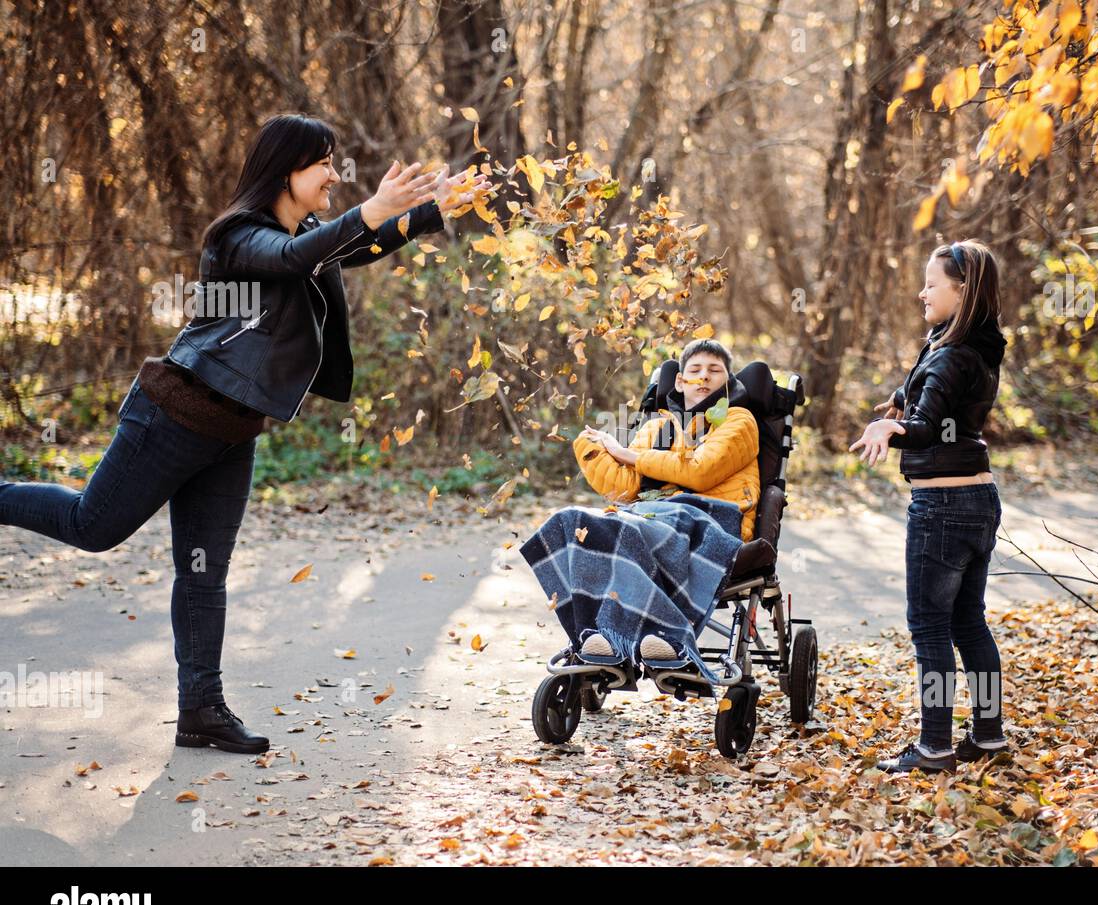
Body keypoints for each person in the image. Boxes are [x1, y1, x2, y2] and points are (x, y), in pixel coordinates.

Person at [0, 112, 489, 753]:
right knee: (94, 528)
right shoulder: (239, 237)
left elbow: (348, 248)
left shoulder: (307, 232)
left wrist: (429, 213)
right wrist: (373, 210)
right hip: (173, 416)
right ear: (286, 169)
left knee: (204, 573)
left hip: (231, 433)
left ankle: (200, 711)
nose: (334, 174)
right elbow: (292, 259)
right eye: (323, 162)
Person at [850, 239, 1010, 774]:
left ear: (961, 291)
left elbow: (925, 431)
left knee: (931, 628)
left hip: (942, 506)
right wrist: (902, 398)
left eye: (932, 284)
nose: (922, 292)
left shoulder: (951, 353)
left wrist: (892, 426)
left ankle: (935, 747)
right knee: (969, 624)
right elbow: (937, 393)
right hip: (980, 499)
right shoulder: (980, 344)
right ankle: (987, 737)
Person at [536, 338, 760, 665]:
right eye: (695, 370)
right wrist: (594, 450)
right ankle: (598, 636)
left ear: (728, 382)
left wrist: (626, 453)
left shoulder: (739, 421)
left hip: (712, 521)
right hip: (651, 517)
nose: (705, 377)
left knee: (643, 526)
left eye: (715, 371)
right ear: (680, 381)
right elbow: (628, 489)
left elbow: (699, 473)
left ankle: (667, 635)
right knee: (585, 524)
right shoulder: (657, 428)